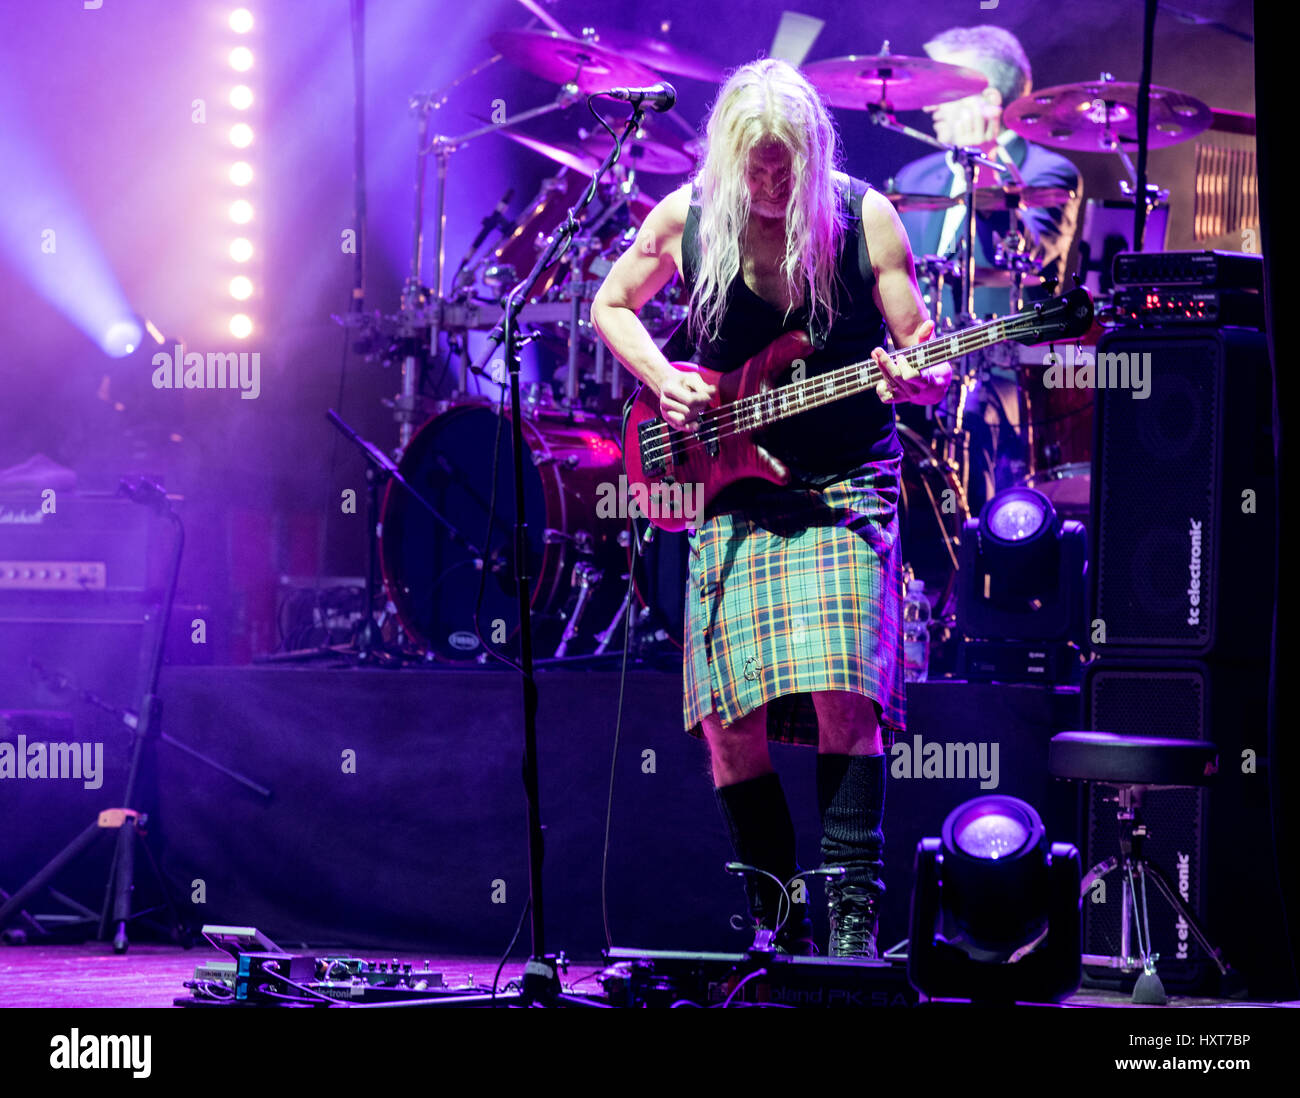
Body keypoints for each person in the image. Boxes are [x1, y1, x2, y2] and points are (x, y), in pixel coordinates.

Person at [591, 59, 950, 957]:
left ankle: (854, 934)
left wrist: (919, 377)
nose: (770, 182)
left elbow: (927, 359)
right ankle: (774, 929)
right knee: (729, 723)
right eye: (753, 164)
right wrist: (662, 377)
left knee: (846, 697)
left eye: (786, 163)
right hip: (733, 488)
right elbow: (610, 305)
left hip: (842, 487)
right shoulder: (689, 218)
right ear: (725, 156)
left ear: (814, 152)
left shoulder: (863, 218)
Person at [892, 25, 1082, 511]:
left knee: (982, 415)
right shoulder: (916, 177)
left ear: (990, 101)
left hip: (1004, 368)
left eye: (945, 92)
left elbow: (1033, 253)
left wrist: (990, 175)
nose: (929, 104)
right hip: (916, 364)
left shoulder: (1048, 172)